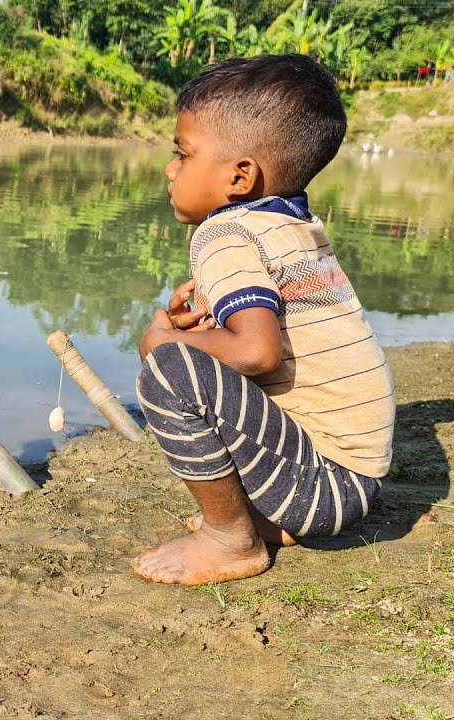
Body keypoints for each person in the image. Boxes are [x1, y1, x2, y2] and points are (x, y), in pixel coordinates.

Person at [132, 54, 395, 585]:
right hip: (352, 480)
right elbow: (280, 338)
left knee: (167, 370)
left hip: (322, 487)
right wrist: (204, 332)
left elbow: (257, 352)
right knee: (188, 354)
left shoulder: (224, 234)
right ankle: (266, 520)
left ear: (239, 175)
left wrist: (162, 340)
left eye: (183, 154)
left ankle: (230, 540)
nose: (171, 168)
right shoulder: (292, 227)